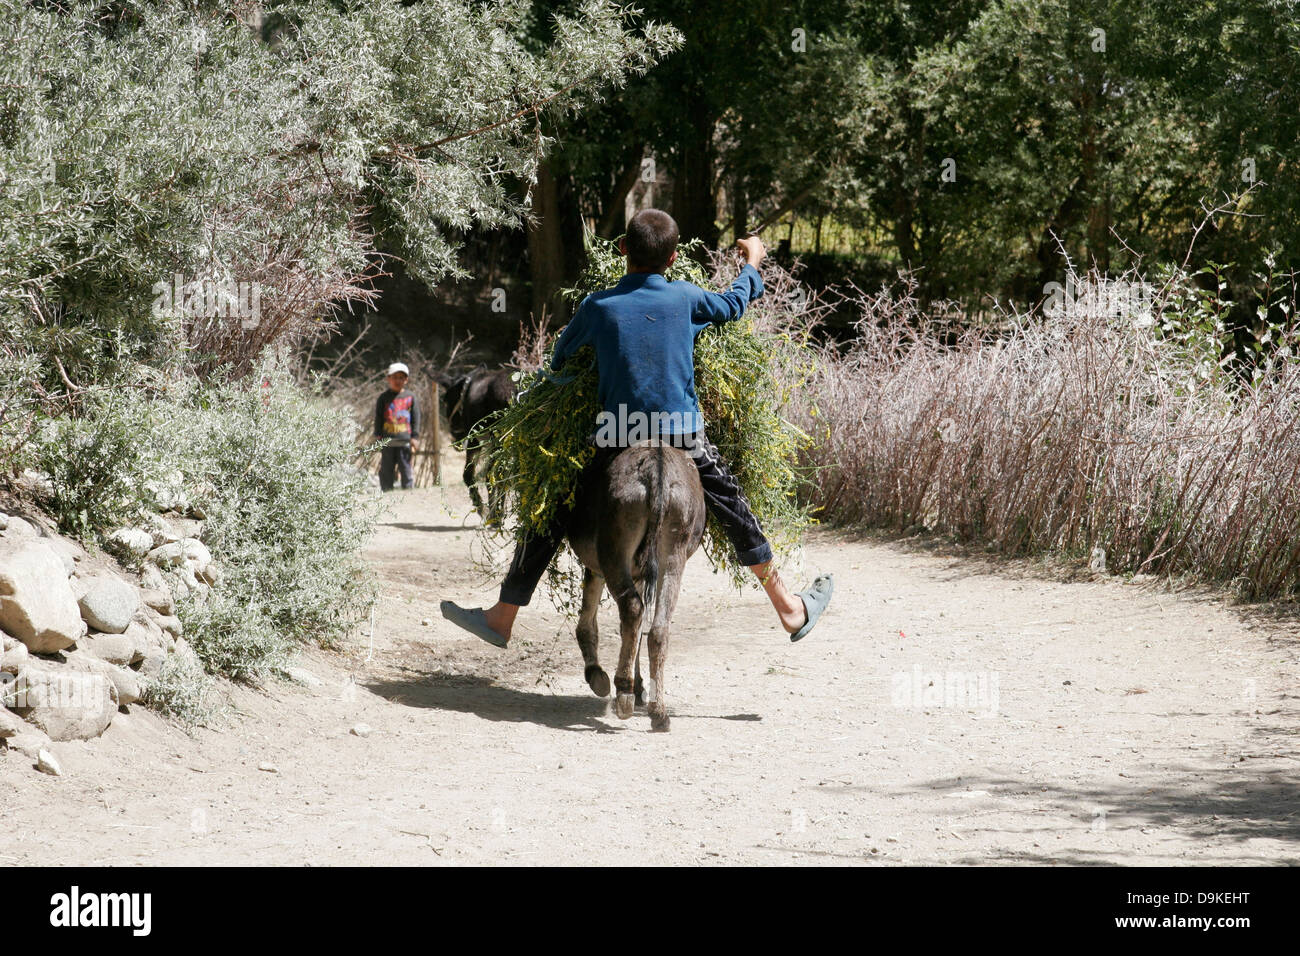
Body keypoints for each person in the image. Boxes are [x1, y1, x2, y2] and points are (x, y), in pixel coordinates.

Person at [441, 209, 833, 647]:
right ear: (674, 259)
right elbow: (732, 304)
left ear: (623, 249)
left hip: (615, 434)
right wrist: (752, 264)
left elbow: (561, 359)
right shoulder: (686, 297)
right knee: (734, 508)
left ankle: (503, 615)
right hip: (683, 433)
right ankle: (789, 608)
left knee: (552, 508)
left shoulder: (597, 305)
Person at [374, 362, 420, 491]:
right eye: (395, 377)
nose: (398, 380)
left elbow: (416, 419)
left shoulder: (410, 397)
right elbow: (378, 418)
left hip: (405, 440)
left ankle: (408, 493)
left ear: (406, 380)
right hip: (387, 441)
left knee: (406, 467)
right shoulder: (383, 398)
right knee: (386, 469)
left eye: (401, 377)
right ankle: (387, 492)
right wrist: (378, 436)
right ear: (389, 378)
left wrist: (415, 437)